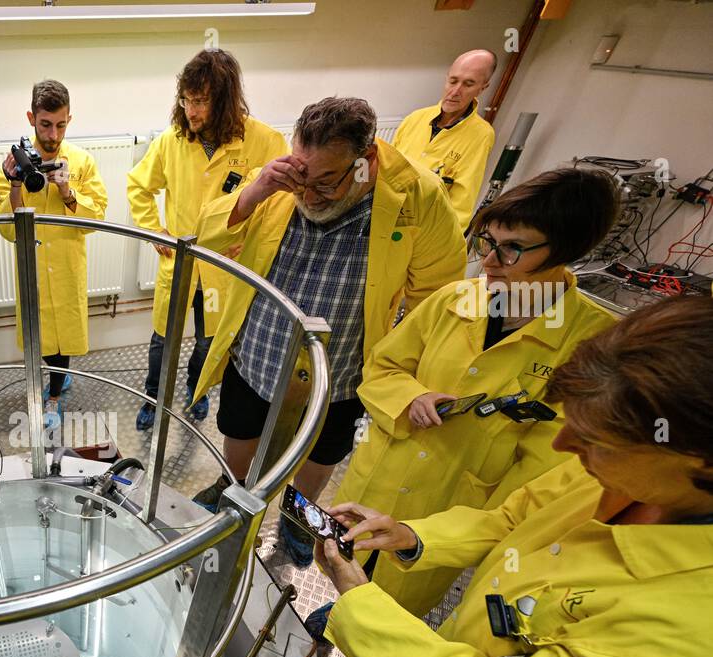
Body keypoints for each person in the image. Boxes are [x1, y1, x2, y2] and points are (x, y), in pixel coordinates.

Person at [314, 295, 713, 657]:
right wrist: (414, 536)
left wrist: (358, 603)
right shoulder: (635, 476)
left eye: (595, 441)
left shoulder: (692, 634)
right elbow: (510, 516)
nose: (563, 447)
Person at [330, 166, 621, 617]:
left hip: (448, 511)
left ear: (564, 252)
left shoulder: (592, 348)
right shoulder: (454, 300)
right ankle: (336, 613)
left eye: (511, 250)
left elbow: (544, 476)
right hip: (379, 476)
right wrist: (410, 398)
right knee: (341, 563)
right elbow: (383, 365)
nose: (486, 262)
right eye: (486, 241)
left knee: (393, 609)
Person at [190, 97, 466, 567]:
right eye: (301, 179)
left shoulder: (417, 197)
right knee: (239, 427)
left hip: (340, 370)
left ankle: (298, 519)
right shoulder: (279, 179)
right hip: (258, 347)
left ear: (367, 162)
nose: (309, 196)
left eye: (325, 183)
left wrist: (413, 375)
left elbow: (438, 296)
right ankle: (229, 490)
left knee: (323, 447)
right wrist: (256, 191)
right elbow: (207, 238)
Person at [127, 49, 287, 430]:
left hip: (225, 268)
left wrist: (248, 240)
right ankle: (153, 396)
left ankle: (196, 391)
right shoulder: (172, 141)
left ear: (226, 100)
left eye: (200, 101)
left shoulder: (264, 142)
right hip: (179, 261)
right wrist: (155, 230)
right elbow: (138, 187)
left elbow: (282, 205)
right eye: (186, 100)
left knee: (207, 341)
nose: (191, 111)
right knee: (163, 338)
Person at [0, 79, 108, 430]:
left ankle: (54, 395)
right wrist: (16, 184)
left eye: (60, 124)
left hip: (67, 262)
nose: (53, 134)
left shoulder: (82, 162)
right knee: (40, 333)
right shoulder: (16, 162)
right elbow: (7, 226)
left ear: (69, 120)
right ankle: (57, 374)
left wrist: (67, 190)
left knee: (65, 334)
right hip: (33, 265)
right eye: (45, 124)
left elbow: (96, 219)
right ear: (31, 118)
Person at [392, 50, 498, 227]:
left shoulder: (481, 135)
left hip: (421, 226)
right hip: (386, 211)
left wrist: (445, 247)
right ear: (447, 77)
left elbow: (463, 201)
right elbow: (386, 167)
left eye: (468, 84)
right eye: (453, 81)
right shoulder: (415, 118)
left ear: (483, 87)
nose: (455, 91)